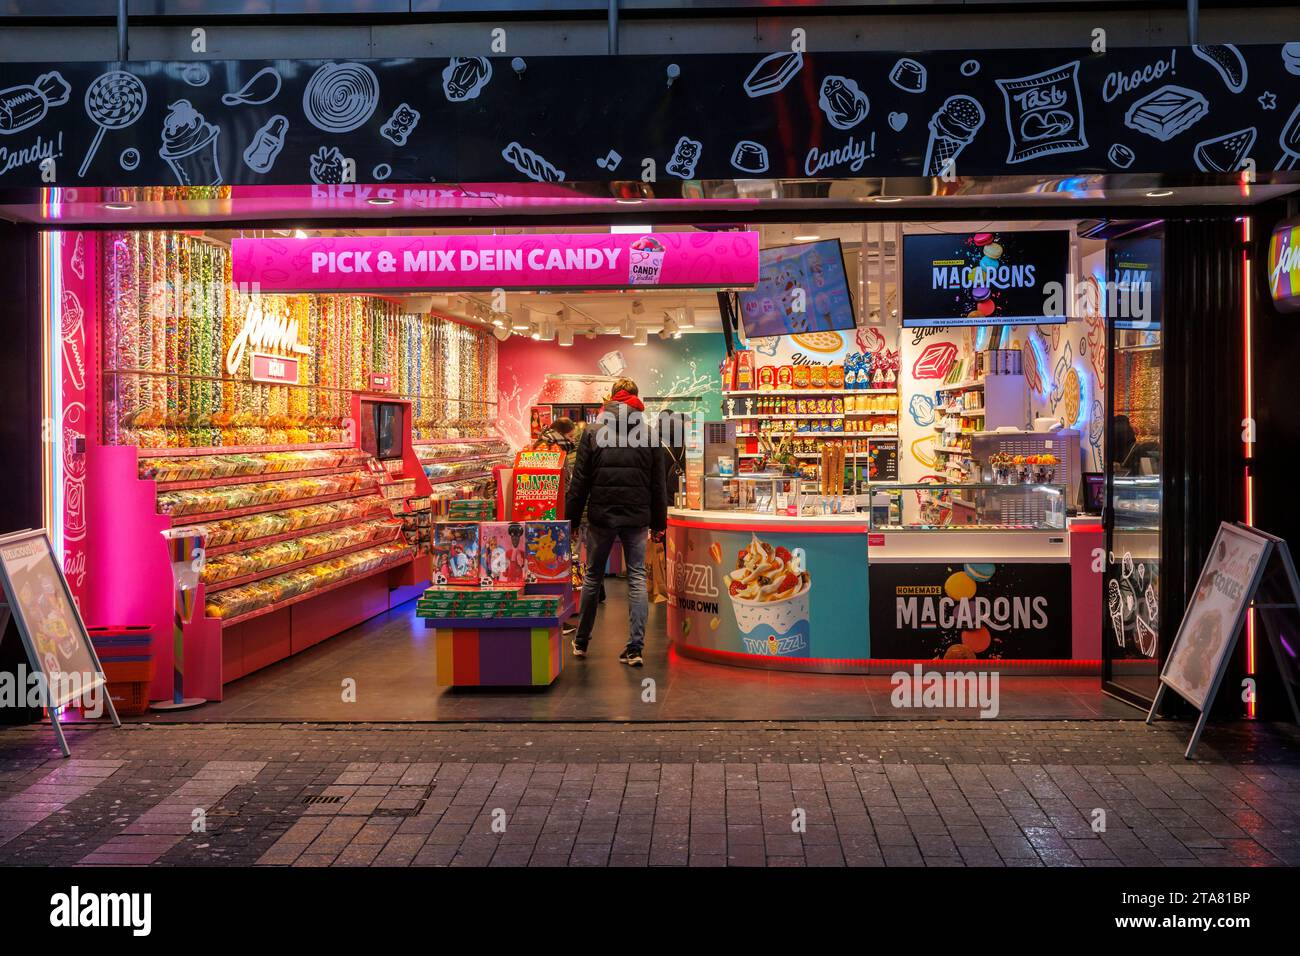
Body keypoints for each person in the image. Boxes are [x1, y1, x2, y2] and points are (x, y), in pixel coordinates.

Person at [565, 378, 668, 666]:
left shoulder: (592, 433)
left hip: (602, 516)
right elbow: (658, 485)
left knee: (593, 576)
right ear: (636, 401)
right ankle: (635, 648)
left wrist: (570, 521)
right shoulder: (649, 434)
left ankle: (582, 641)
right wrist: (660, 524)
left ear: (611, 400)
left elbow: (580, 483)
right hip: (637, 517)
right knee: (636, 578)